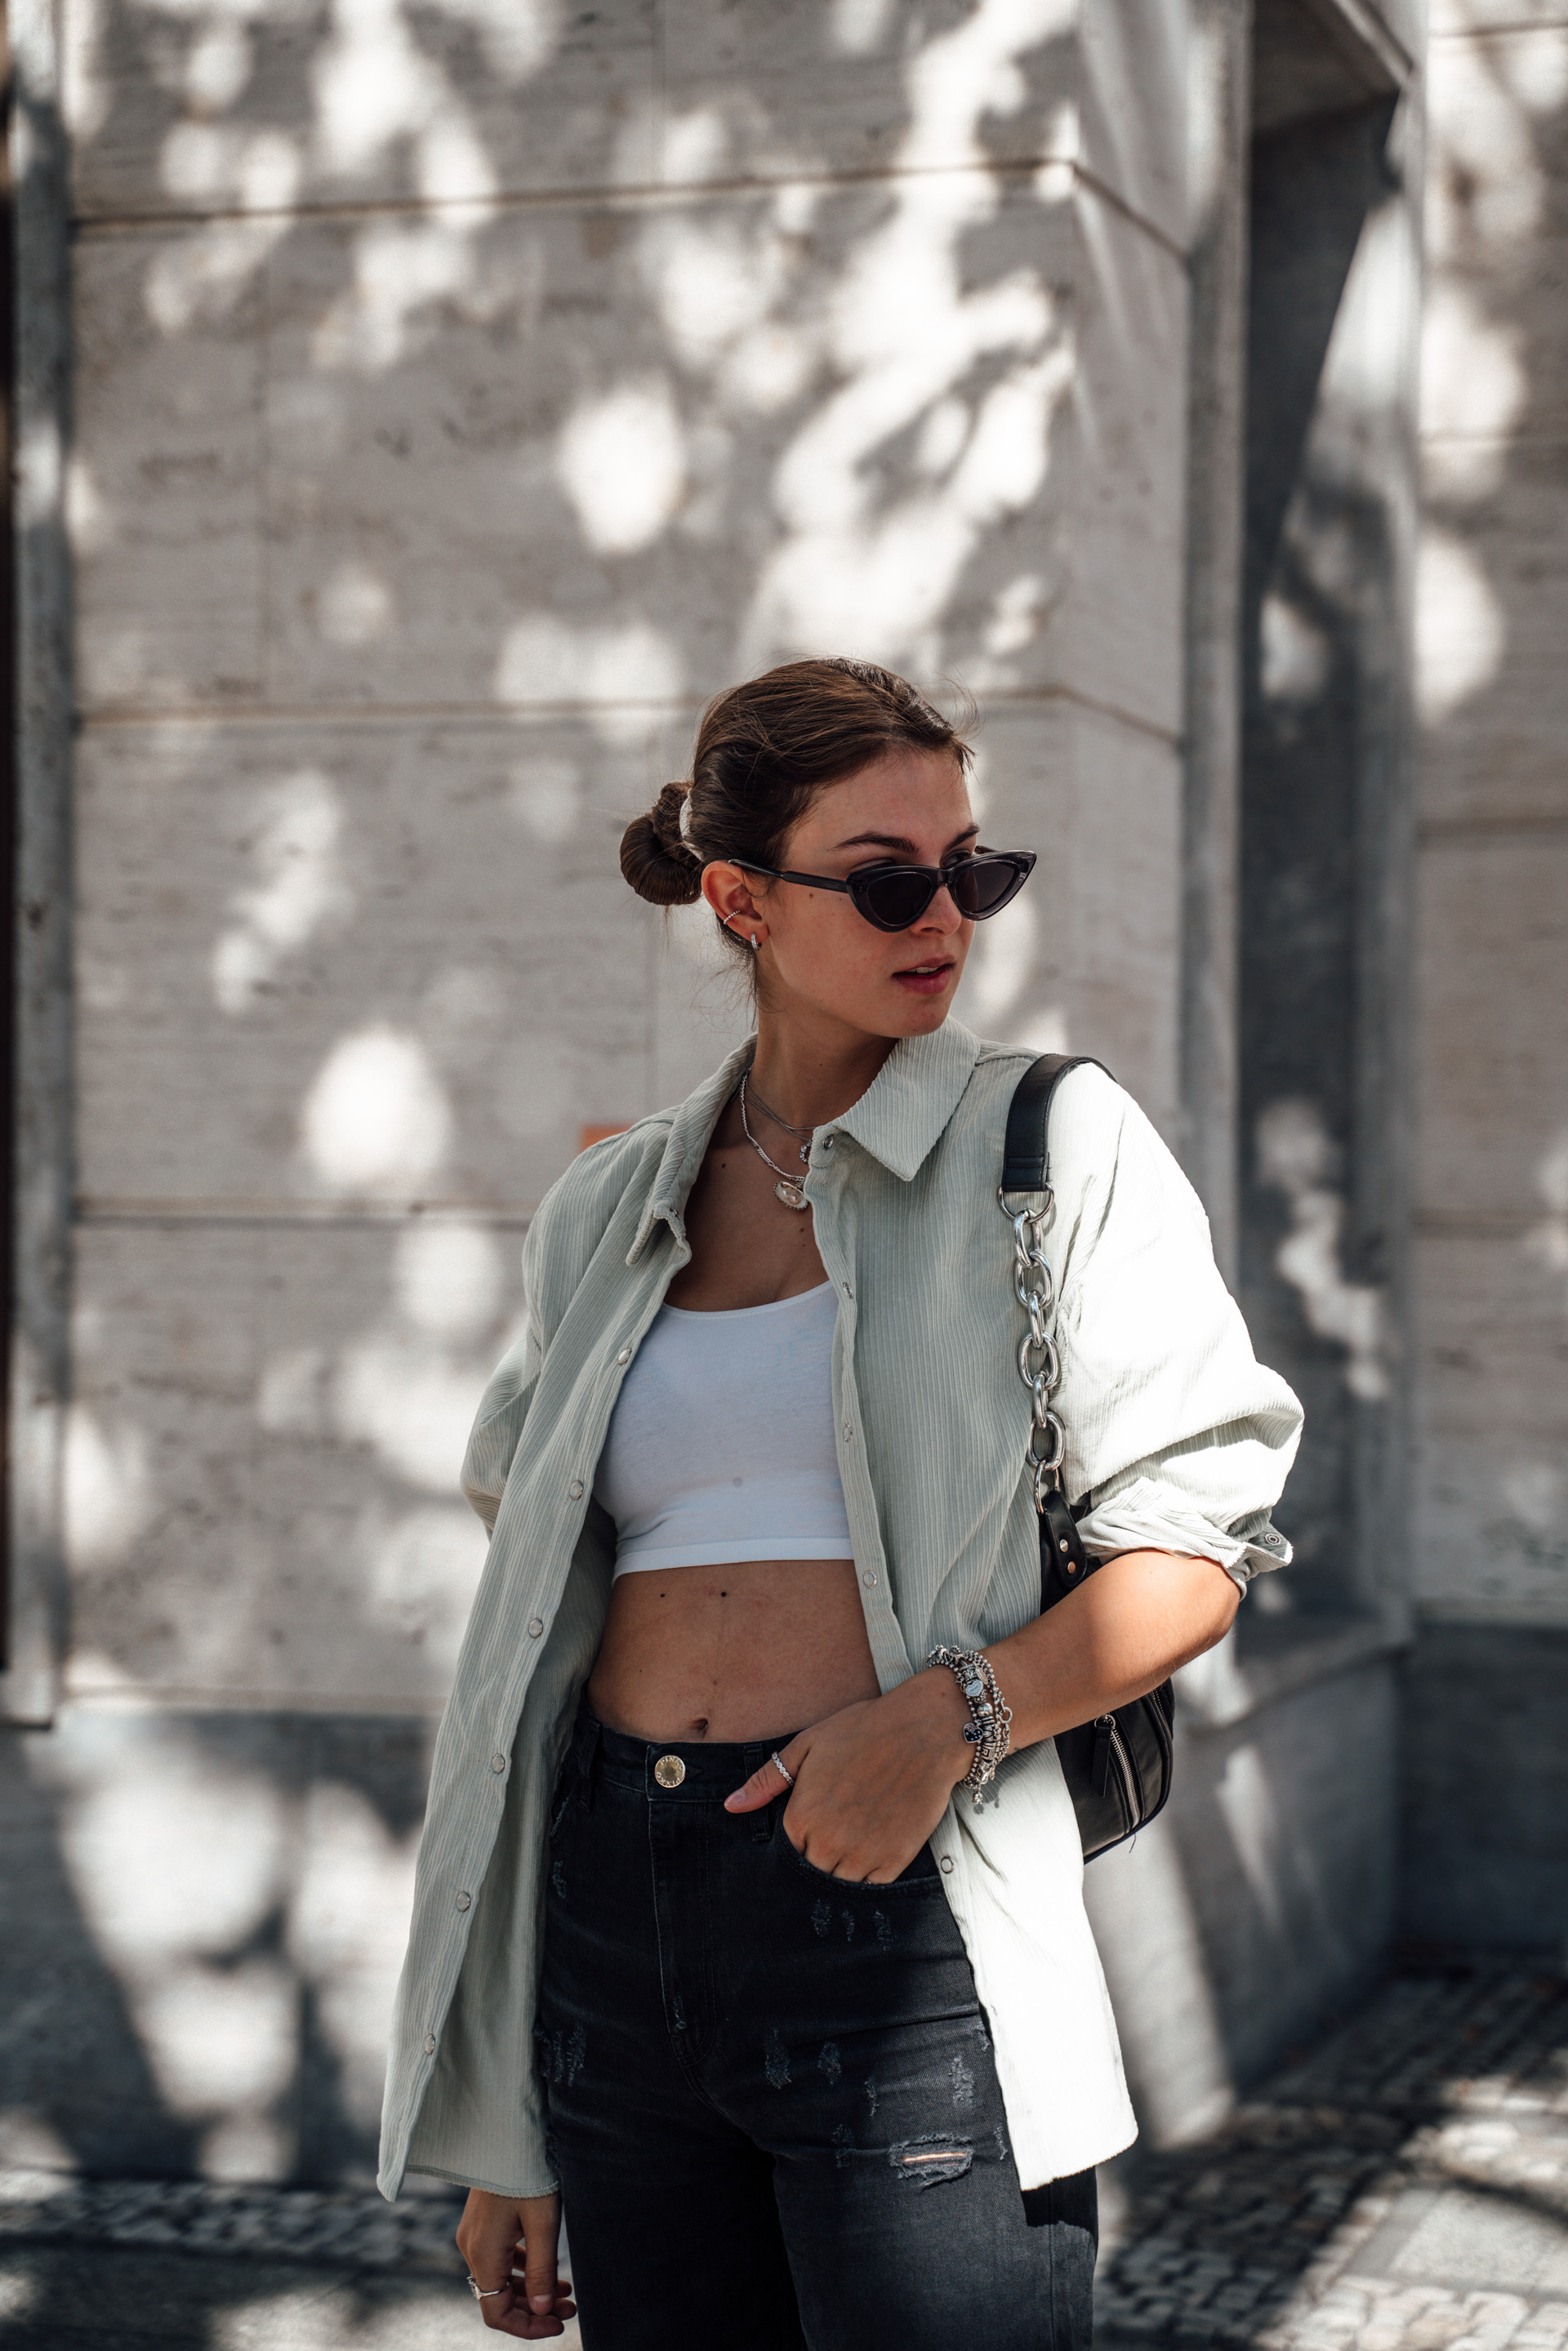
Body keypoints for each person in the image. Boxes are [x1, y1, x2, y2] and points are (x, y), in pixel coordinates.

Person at [377, 657, 1303, 2349]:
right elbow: (531, 1633)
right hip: (614, 1906)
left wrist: (947, 1722)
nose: (946, 914)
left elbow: (1194, 1548)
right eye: (889, 877)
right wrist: (505, 2118)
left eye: (976, 869)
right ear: (740, 898)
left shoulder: (1056, 1142)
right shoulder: (608, 1204)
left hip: (900, 1902)